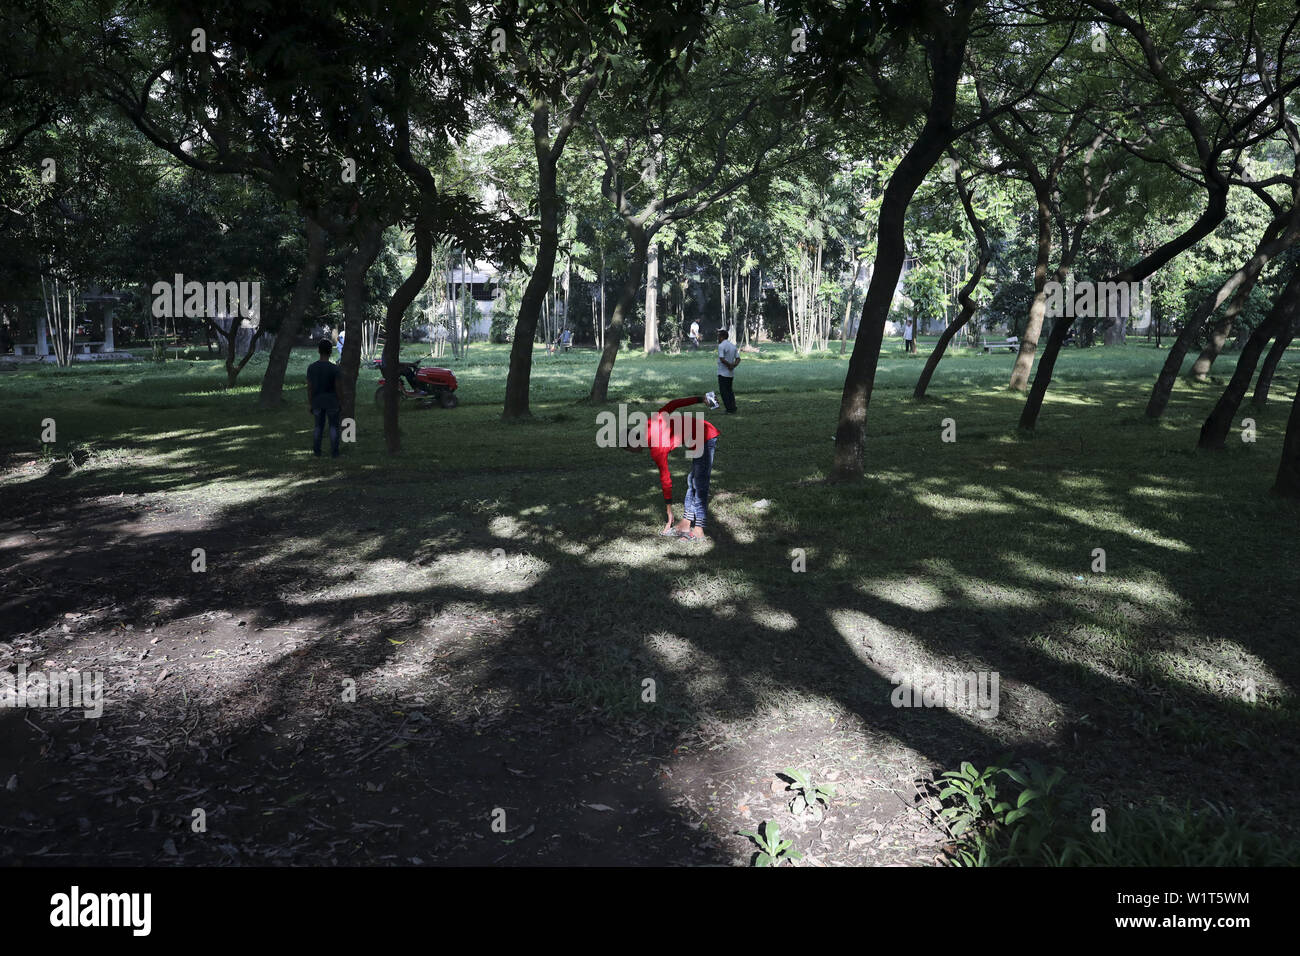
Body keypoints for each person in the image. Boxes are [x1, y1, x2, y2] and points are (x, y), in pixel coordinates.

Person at [638, 393, 721, 542]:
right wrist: (700, 398)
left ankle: (699, 530)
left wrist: (669, 512)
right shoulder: (651, 422)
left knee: (700, 484)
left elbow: (666, 481)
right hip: (699, 437)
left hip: (706, 436)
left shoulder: (656, 450)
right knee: (692, 481)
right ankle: (685, 524)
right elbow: (674, 404)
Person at [307, 338, 342, 458]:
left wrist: (310, 402)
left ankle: (317, 452)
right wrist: (340, 401)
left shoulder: (312, 368)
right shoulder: (334, 369)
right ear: (330, 352)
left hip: (317, 401)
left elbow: (310, 388)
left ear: (318, 351)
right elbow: (337, 387)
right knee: (333, 427)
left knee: (318, 427)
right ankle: (334, 453)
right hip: (332, 401)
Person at [716, 328, 739, 412]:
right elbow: (738, 358)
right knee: (730, 391)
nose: (718, 338)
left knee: (724, 392)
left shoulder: (721, 346)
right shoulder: (733, 346)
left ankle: (729, 408)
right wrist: (733, 365)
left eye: (718, 336)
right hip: (730, 373)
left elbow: (721, 358)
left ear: (722, 337)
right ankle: (733, 407)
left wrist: (729, 365)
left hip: (722, 372)